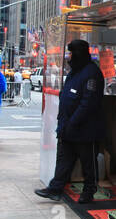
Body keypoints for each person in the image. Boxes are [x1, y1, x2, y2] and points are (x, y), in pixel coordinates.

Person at [35, 39, 105, 203]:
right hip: (68, 127)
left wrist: (73, 122)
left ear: (79, 54)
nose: (69, 57)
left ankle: (89, 191)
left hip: (86, 129)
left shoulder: (91, 73)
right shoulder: (75, 71)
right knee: (64, 160)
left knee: (89, 163)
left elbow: (88, 103)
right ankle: (55, 189)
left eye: (71, 53)